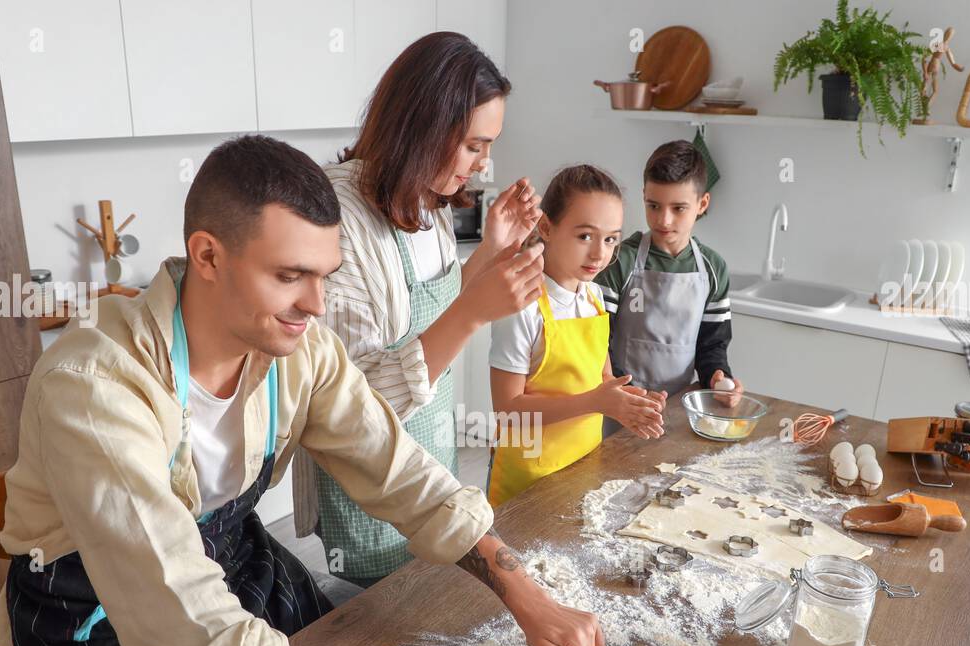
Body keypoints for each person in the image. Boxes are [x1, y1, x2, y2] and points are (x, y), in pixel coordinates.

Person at [0, 135, 602, 646]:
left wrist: (525, 593)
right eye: (290, 276)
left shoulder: (298, 348)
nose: (316, 304)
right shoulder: (95, 384)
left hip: (229, 554)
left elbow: (398, 470)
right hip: (95, 608)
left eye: (325, 275)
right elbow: (180, 609)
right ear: (208, 255)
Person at [294, 32, 544, 588]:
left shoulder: (427, 200)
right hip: (373, 493)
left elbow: (431, 313)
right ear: (426, 127)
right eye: (475, 145)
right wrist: (474, 314)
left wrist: (491, 251)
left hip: (429, 464)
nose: (483, 165)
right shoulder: (339, 220)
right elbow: (352, 411)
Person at [486, 165, 663, 506]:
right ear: (546, 227)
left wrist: (630, 403)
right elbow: (507, 410)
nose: (600, 253)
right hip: (528, 480)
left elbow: (603, 378)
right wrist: (596, 402)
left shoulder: (594, 298)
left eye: (611, 238)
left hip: (583, 464)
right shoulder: (522, 305)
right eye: (585, 236)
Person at [596, 140, 743, 427]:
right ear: (643, 196)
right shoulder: (619, 261)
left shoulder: (713, 268)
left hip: (679, 408)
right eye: (654, 205)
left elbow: (712, 344)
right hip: (621, 405)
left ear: (702, 204)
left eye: (678, 208)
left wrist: (718, 376)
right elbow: (597, 340)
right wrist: (628, 393)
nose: (664, 219)